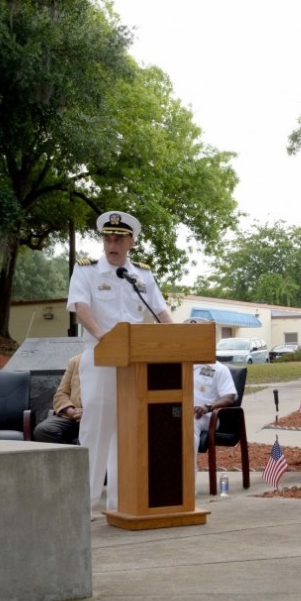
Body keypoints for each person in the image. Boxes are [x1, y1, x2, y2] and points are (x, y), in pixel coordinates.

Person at [66, 211, 174, 515]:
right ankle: (84, 507)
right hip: (102, 358)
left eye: (119, 239)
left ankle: (122, 504)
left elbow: (161, 312)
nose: (111, 244)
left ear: (132, 242)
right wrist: (103, 336)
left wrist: (177, 338)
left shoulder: (142, 275)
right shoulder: (86, 271)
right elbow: (80, 307)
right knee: (96, 430)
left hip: (135, 363)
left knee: (129, 431)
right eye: (108, 238)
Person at [191, 360, 238, 460]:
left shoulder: (219, 369)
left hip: (206, 415)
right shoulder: (181, 365)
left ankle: (188, 472)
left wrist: (206, 407)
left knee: (189, 424)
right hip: (180, 412)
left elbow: (229, 397)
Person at [33, 354, 83, 445]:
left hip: (97, 419)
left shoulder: (111, 363)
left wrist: (88, 413)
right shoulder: (75, 361)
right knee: (43, 430)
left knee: (86, 438)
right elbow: (61, 393)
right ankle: (69, 457)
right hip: (71, 417)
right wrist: (70, 411)